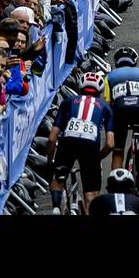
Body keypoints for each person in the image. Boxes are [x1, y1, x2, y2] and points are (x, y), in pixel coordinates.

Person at [47, 71, 114, 213]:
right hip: (90, 147)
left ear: (79, 87)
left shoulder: (67, 102)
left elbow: (52, 138)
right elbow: (110, 144)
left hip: (68, 142)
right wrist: (98, 157)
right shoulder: (106, 108)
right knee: (91, 194)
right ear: (100, 91)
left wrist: (51, 159)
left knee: (58, 178)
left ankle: (56, 207)